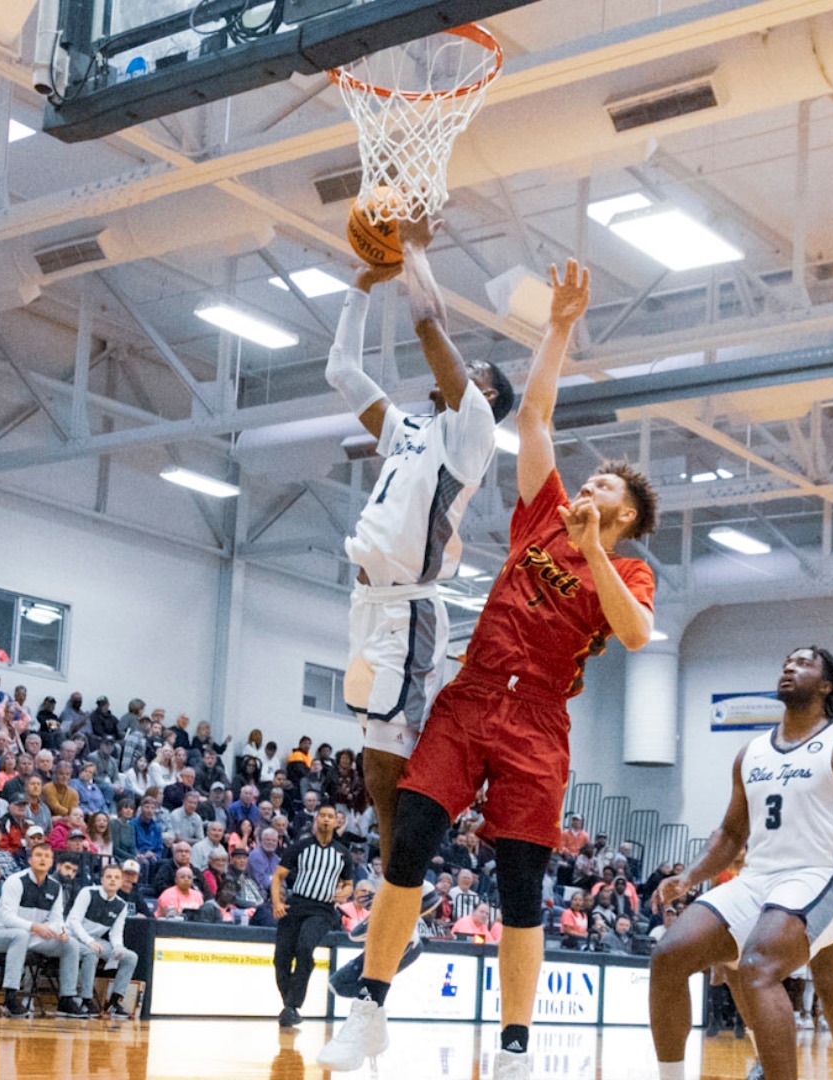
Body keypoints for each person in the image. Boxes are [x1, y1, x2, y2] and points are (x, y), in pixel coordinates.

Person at [321, 258, 657, 1078]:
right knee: (409, 848)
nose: (593, 478)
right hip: (470, 696)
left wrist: (592, 554)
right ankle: (370, 1011)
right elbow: (535, 412)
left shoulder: (626, 568)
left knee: (519, 888)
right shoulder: (543, 510)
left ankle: (512, 1050)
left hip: (538, 722)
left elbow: (637, 633)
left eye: (608, 482)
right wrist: (561, 326)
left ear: (627, 517)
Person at [323, 215, 515, 973]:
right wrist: (359, 288)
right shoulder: (407, 428)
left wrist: (414, 248)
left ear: (484, 396)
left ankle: (403, 918)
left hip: (408, 611)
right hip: (367, 605)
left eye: (477, 376)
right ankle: (401, 914)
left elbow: (431, 319)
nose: (461, 374)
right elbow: (342, 367)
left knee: (394, 770)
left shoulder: (472, 433)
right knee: (376, 772)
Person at [647, 647, 833, 1080]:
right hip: (757, 879)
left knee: (759, 967)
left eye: (803, 663)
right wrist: (689, 876)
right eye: (786, 663)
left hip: (822, 878)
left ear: (825, 684)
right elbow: (730, 834)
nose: (789, 668)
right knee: (668, 955)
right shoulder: (751, 753)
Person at [271, 804, 351, 1027]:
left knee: (305, 948)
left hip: (323, 910)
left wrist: (343, 893)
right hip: (295, 904)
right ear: (316, 819)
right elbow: (277, 877)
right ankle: (289, 1006)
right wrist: (277, 902)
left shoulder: (343, 854)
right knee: (281, 958)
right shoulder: (300, 846)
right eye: (322, 815)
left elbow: (349, 885)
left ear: (337, 823)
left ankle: (293, 1005)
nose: (326, 820)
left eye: (331, 816)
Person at [0, 841, 76, 1018]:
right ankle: (10, 997)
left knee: (70, 944)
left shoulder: (55, 887)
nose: (43, 859)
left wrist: (60, 931)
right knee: (20, 935)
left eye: (47, 856)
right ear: (30, 860)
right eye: (39, 855)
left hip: (31, 936)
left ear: (52, 863)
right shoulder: (15, 881)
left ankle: (67, 999)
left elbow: (57, 920)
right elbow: (7, 918)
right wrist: (34, 927)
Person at [59, 861, 140, 1019]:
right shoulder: (88, 892)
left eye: (116, 877)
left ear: (121, 881)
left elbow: (116, 933)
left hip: (94, 940)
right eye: (108, 876)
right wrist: (89, 941)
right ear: (102, 880)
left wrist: (118, 947)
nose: (112, 880)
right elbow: (74, 921)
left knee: (130, 957)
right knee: (91, 952)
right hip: (73, 936)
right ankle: (86, 999)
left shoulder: (121, 905)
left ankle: (114, 1001)